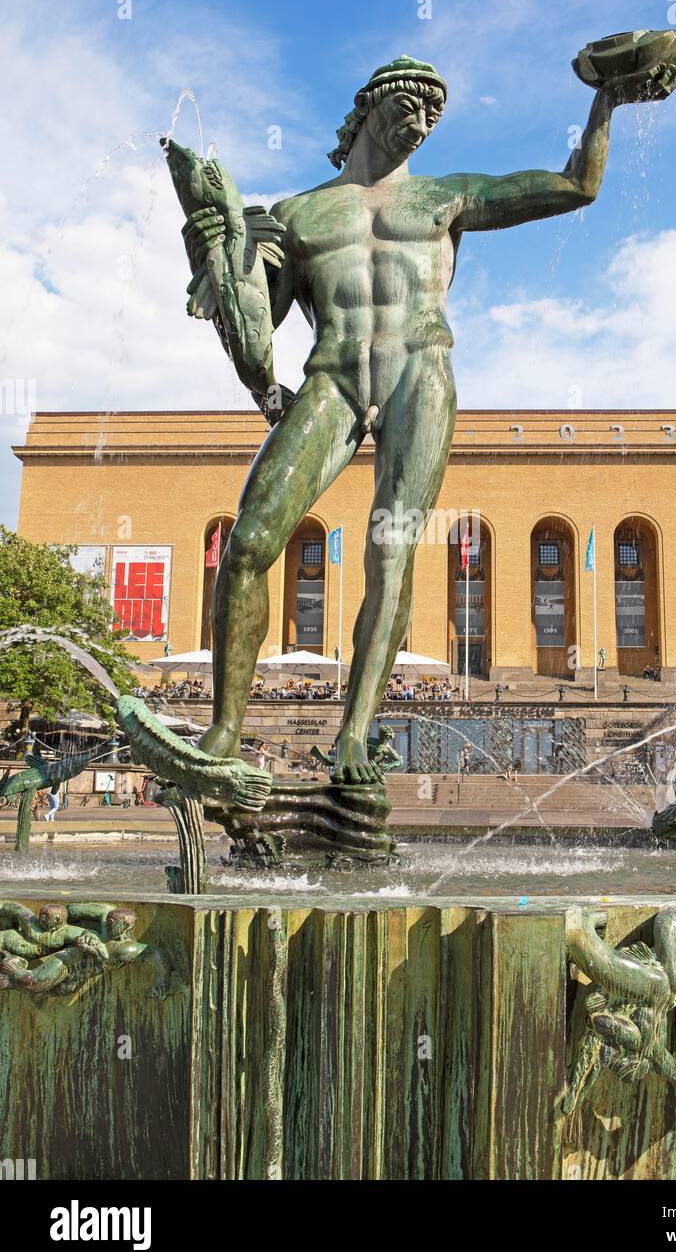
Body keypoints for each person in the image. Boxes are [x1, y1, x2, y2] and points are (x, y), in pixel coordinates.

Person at [180, 54, 625, 784]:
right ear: (367, 107)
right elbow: (254, 326)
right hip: (334, 376)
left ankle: (352, 736)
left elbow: (577, 186)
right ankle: (225, 731)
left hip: (421, 369)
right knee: (251, 539)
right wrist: (226, 266)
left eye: (433, 114)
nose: (421, 124)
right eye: (410, 106)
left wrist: (604, 99)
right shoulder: (295, 214)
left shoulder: (446, 197)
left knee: (389, 552)